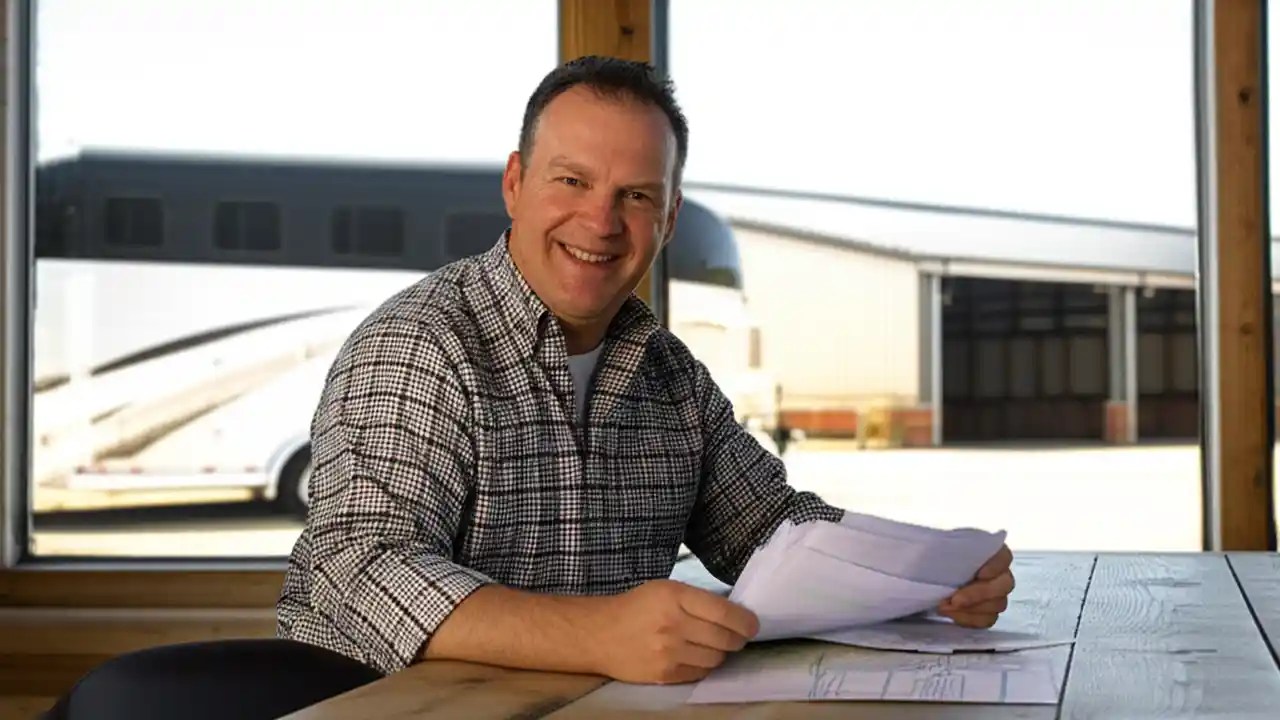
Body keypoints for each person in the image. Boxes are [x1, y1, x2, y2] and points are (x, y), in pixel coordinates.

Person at [276, 55, 1015, 686]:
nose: (601, 223)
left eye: (635, 196)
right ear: (514, 183)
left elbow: (770, 529)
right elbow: (360, 568)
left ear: (667, 218)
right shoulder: (420, 343)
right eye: (571, 181)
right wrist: (598, 635)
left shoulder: (671, 377)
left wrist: (927, 574)